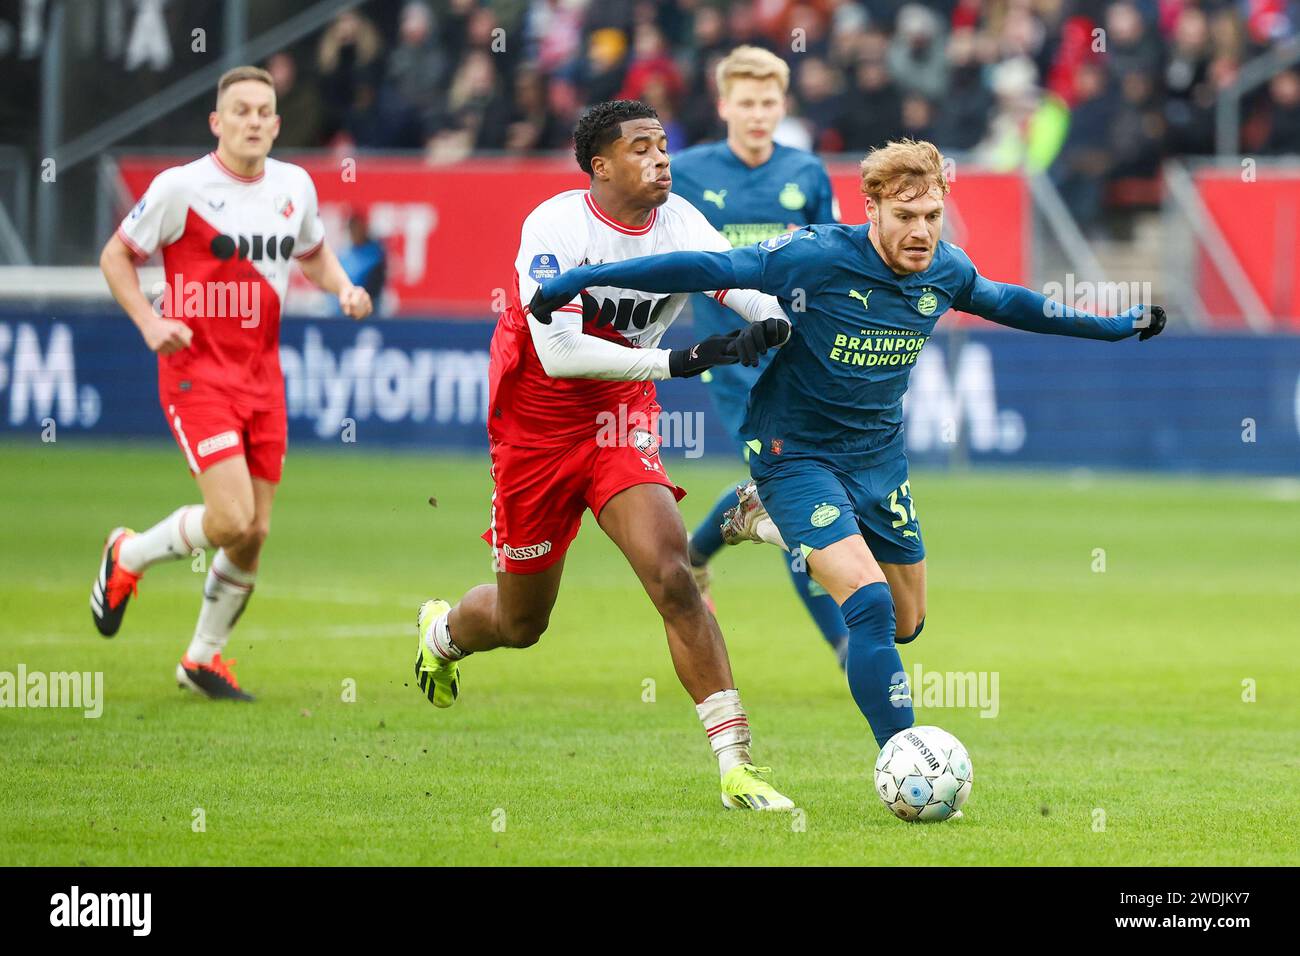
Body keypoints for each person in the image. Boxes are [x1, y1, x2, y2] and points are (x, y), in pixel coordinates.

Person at [531, 139, 1166, 752]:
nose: (922, 230)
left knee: (906, 622)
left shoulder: (946, 268)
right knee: (866, 605)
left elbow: (1011, 302)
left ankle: (752, 516)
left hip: (879, 459)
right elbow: (711, 267)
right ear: (872, 210)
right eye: (906, 216)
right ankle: (904, 754)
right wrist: (586, 278)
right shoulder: (816, 256)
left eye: (932, 216)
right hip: (795, 454)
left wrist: (1112, 328)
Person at [413, 100, 795, 811]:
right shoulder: (556, 226)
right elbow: (558, 355)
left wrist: (771, 323)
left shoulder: (679, 219)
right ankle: (441, 633)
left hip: (619, 419)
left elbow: (735, 280)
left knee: (672, 573)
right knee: (521, 625)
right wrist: (680, 361)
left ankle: (735, 765)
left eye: (664, 144)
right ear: (601, 166)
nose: (661, 158)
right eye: (641, 147)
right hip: (536, 427)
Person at [94, 66, 373, 700]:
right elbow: (117, 256)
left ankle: (203, 658)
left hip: (262, 378)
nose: (252, 121)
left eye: (263, 111)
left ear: (276, 123)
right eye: (239, 111)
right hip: (197, 375)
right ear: (217, 123)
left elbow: (314, 254)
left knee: (253, 533)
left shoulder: (295, 186)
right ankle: (128, 555)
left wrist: (344, 289)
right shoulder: (180, 188)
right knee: (230, 516)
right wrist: (148, 321)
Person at [669, 45, 849, 664]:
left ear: (782, 105)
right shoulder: (686, 174)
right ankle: (846, 645)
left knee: (782, 487)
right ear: (723, 105)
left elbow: (837, 259)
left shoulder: (807, 174)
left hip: (798, 364)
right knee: (791, 492)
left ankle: (694, 552)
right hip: (734, 363)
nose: (757, 114)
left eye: (768, 102)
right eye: (745, 102)